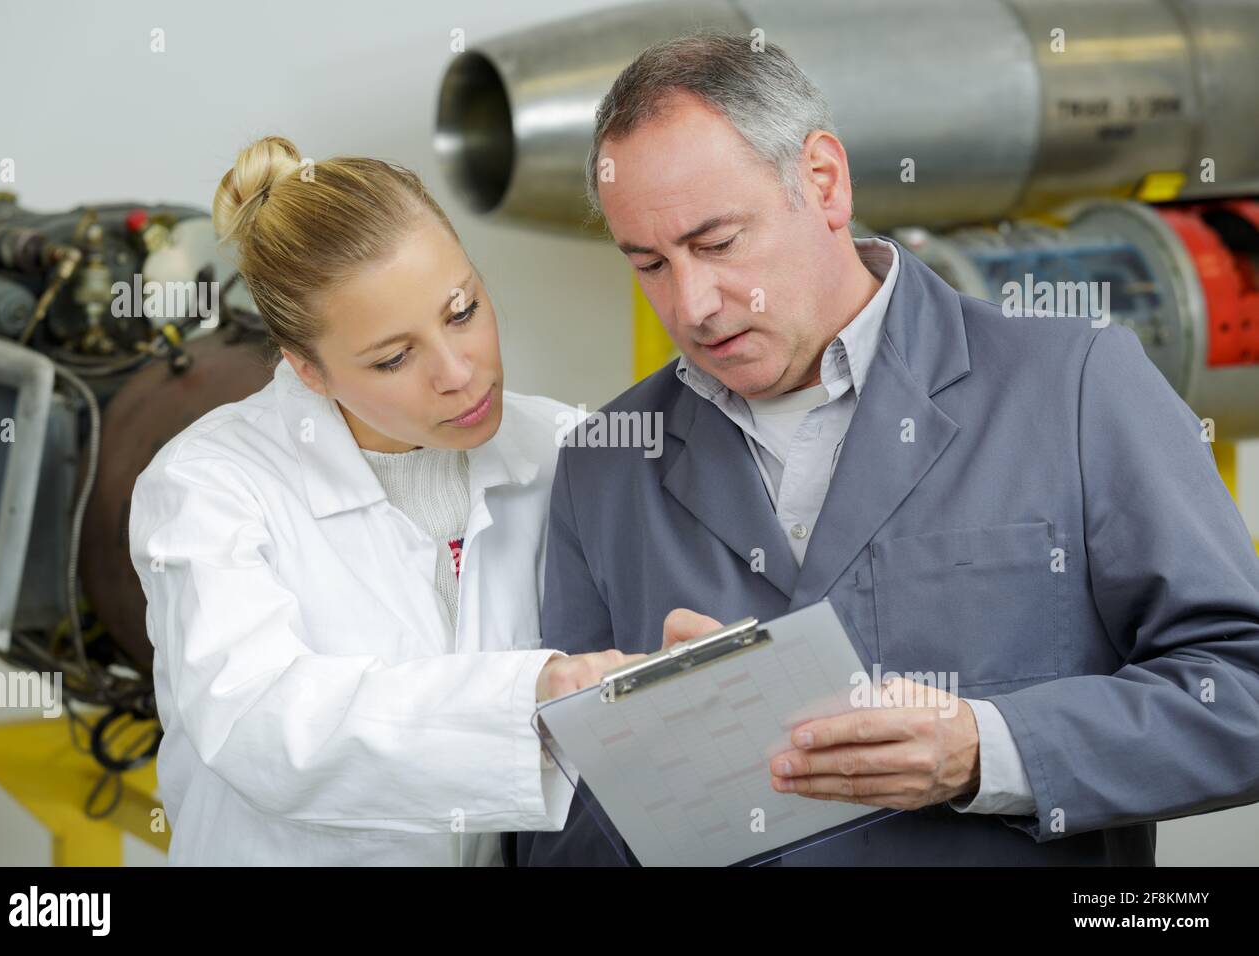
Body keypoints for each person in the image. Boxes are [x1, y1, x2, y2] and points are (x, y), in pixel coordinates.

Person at [516, 33, 1259, 866]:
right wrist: (653, 744)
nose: (692, 306)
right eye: (649, 263)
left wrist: (989, 749)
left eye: (718, 244)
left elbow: (1244, 691)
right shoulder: (604, 464)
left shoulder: (1076, 382)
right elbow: (553, 820)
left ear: (823, 182)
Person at [129, 135, 636, 865]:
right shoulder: (209, 487)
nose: (459, 372)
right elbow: (262, 724)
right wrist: (537, 692)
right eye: (394, 358)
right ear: (309, 371)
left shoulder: (564, 448)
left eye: (462, 310)